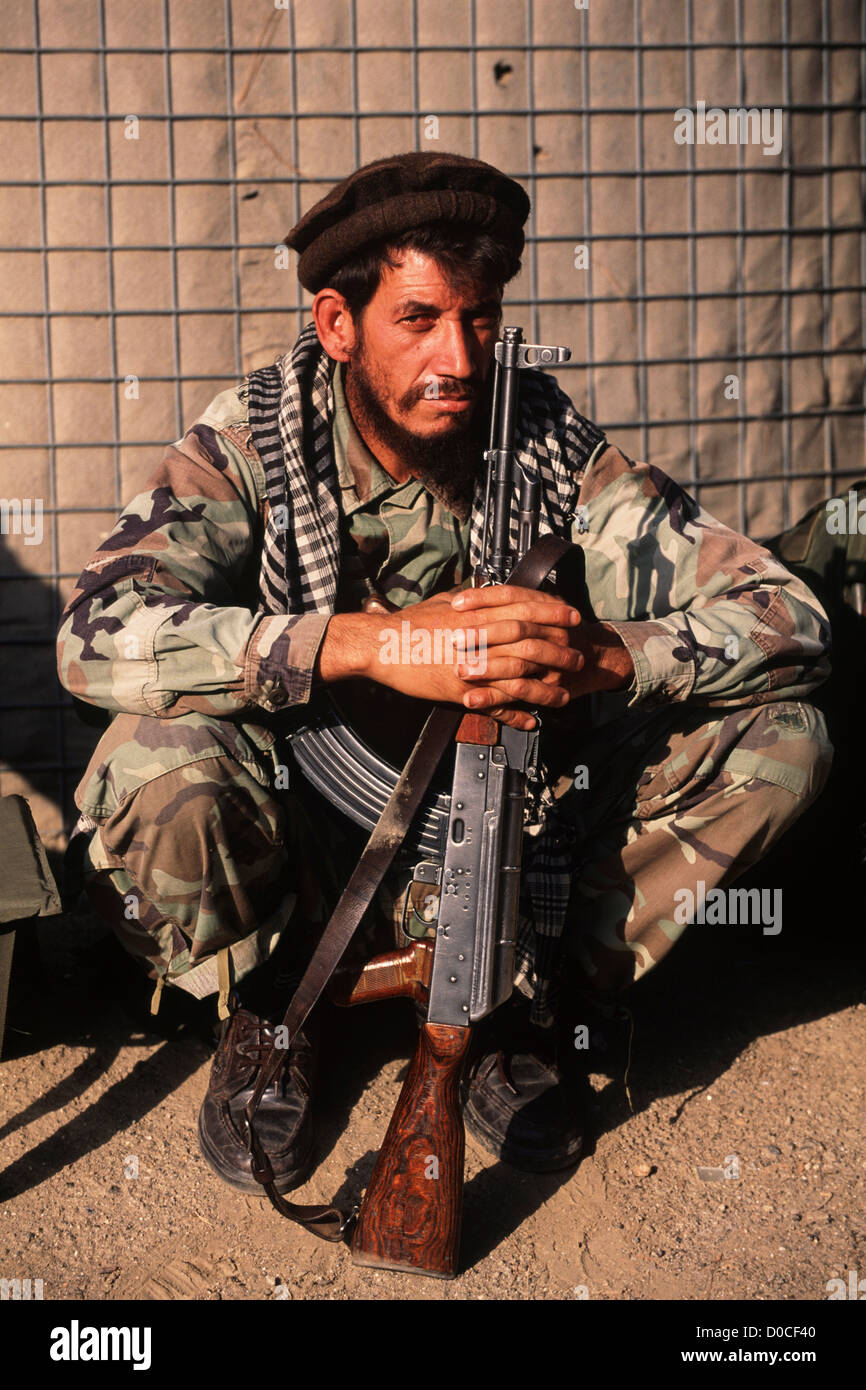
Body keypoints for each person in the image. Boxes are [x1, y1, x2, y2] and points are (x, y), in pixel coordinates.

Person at [57, 152, 833, 1196]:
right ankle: (273, 1006)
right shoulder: (252, 444)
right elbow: (95, 633)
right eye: (417, 320)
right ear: (338, 324)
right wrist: (370, 643)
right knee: (160, 762)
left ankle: (520, 1004)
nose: (457, 358)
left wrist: (603, 659)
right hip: (305, 845)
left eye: (477, 319)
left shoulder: (546, 445)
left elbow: (791, 615)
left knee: (782, 737)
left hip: (509, 838)